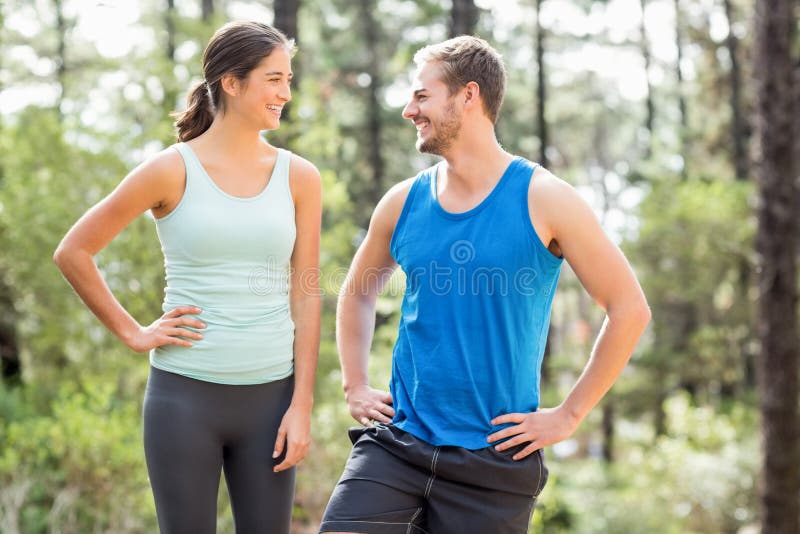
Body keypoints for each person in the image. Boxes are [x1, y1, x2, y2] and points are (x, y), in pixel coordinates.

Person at [320, 36, 651, 534]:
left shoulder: (546, 199)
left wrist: (569, 415)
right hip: (398, 446)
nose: (409, 110)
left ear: (468, 96)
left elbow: (629, 308)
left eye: (422, 96)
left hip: (495, 462)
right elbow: (358, 290)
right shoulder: (402, 202)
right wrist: (355, 384)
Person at [54, 21, 321, 534]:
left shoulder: (300, 177)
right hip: (184, 400)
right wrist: (134, 332)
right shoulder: (170, 169)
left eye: (288, 79)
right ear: (232, 83)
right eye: (274, 79)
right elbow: (74, 251)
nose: (286, 93)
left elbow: (306, 295)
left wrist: (302, 404)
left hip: (272, 400)